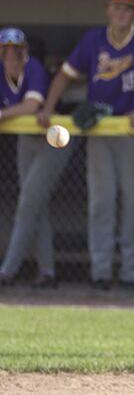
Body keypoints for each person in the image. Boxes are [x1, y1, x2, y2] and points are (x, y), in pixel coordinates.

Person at [37, 0, 134, 291]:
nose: (122, 13)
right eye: (117, 7)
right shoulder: (94, 39)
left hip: (132, 132)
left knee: (133, 204)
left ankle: (130, 274)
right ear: (108, 10)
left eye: (128, 9)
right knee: (100, 204)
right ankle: (101, 272)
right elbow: (64, 75)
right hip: (100, 130)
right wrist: (47, 107)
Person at [0, 28, 68, 288]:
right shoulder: (1, 71)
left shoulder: (35, 68)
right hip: (26, 139)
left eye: (15, 50)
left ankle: (7, 271)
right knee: (35, 206)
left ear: (24, 50)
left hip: (54, 138)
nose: (10, 56)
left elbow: (31, 106)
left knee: (28, 202)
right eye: (5, 50)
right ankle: (48, 272)